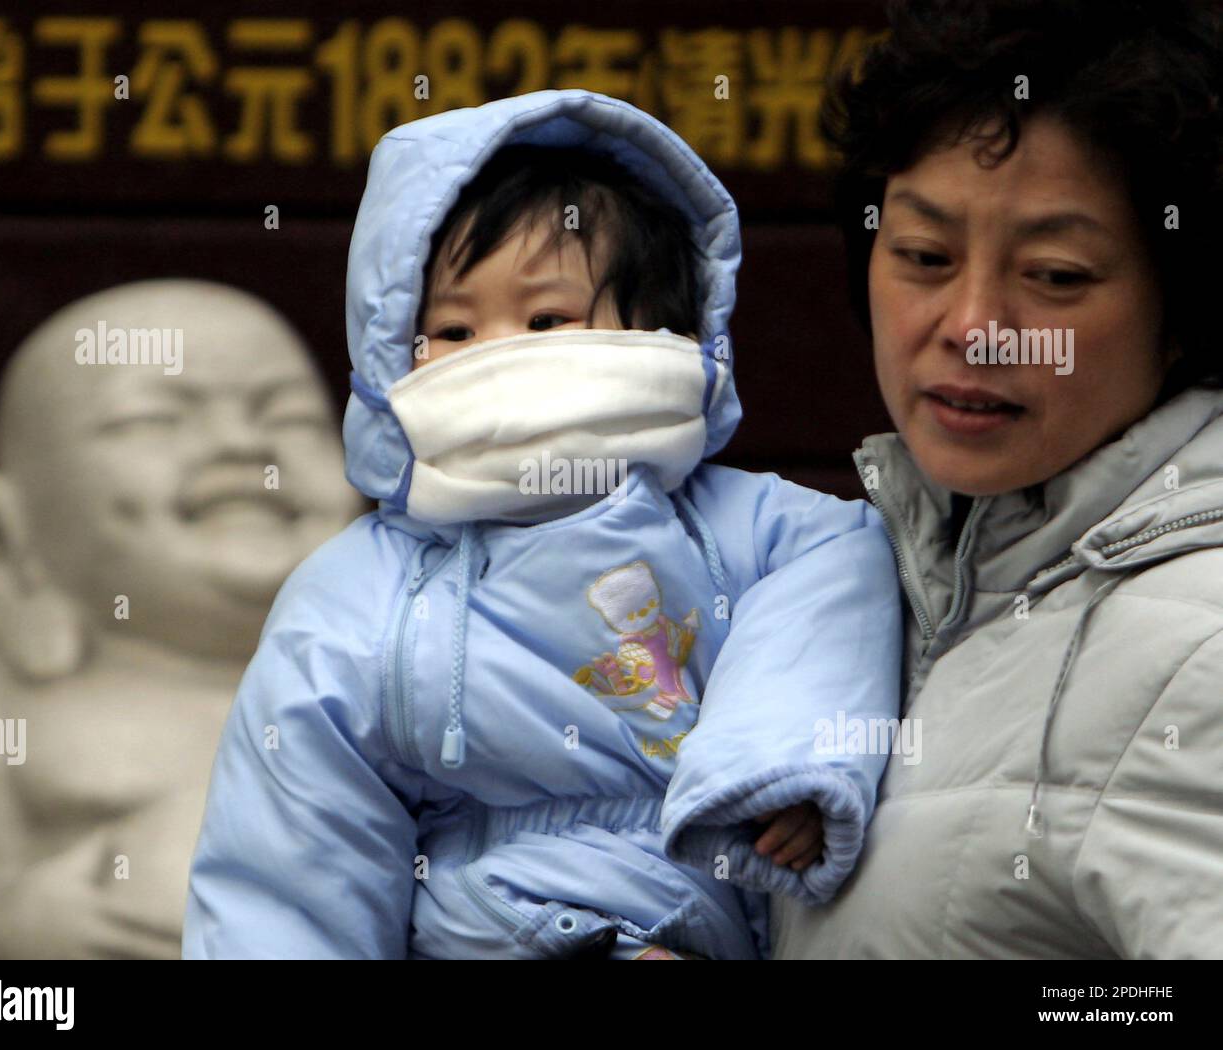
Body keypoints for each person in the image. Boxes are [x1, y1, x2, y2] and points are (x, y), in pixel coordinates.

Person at [182, 89, 903, 960]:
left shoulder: (755, 530)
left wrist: (782, 767)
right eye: (451, 328)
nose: (497, 354)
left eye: (547, 319)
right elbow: (287, 874)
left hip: (736, 910)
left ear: (661, 330)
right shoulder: (354, 596)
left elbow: (839, 582)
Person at [773, 0, 1223, 958]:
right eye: (924, 257)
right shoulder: (856, 581)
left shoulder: (1201, 650)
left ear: (1181, 305)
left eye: (1056, 276)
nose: (976, 323)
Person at [0, 280, 360, 958]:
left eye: (290, 417)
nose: (242, 445)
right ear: (5, 538)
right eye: (155, 419)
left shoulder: (404, 685)